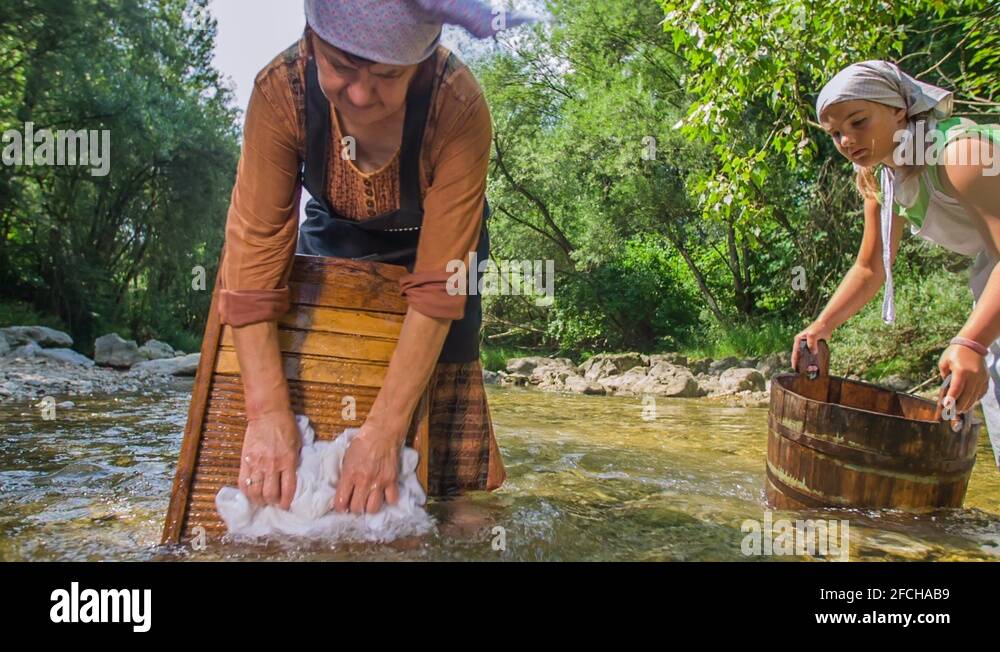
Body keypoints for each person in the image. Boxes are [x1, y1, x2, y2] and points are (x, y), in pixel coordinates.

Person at [219, 0, 535, 514]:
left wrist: (385, 434)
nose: (363, 94)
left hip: (442, 257)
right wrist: (268, 413)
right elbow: (252, 267)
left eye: (389, 75)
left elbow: (438, 289)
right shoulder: (279, 92)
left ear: (424, 62)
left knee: (454, 497)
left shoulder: (457, 106)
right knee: (310, 393)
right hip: (335, 233)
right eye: (342, 66)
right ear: (310, 40)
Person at [793, 60, 1000, 466]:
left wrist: (971, 342)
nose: (847, 140)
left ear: (899, 110)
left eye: (858, 122)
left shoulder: (963, 153)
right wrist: (822, 326)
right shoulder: (880, 178)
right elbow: (870, 268)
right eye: (835, 133)